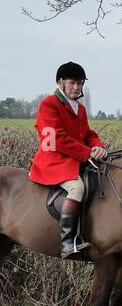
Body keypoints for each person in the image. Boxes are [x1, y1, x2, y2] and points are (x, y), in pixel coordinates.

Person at [28, 61, 108, 258]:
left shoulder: (79, 108)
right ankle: (67, 242)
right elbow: (56, 139)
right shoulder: (48, 104)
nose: (77, 87)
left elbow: (88, 133)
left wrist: (98, 147)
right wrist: (87, 153)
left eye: (80, 84)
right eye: (72, 83)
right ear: (60, 82)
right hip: (53, 160)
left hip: (75, 158)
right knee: (77, 187)